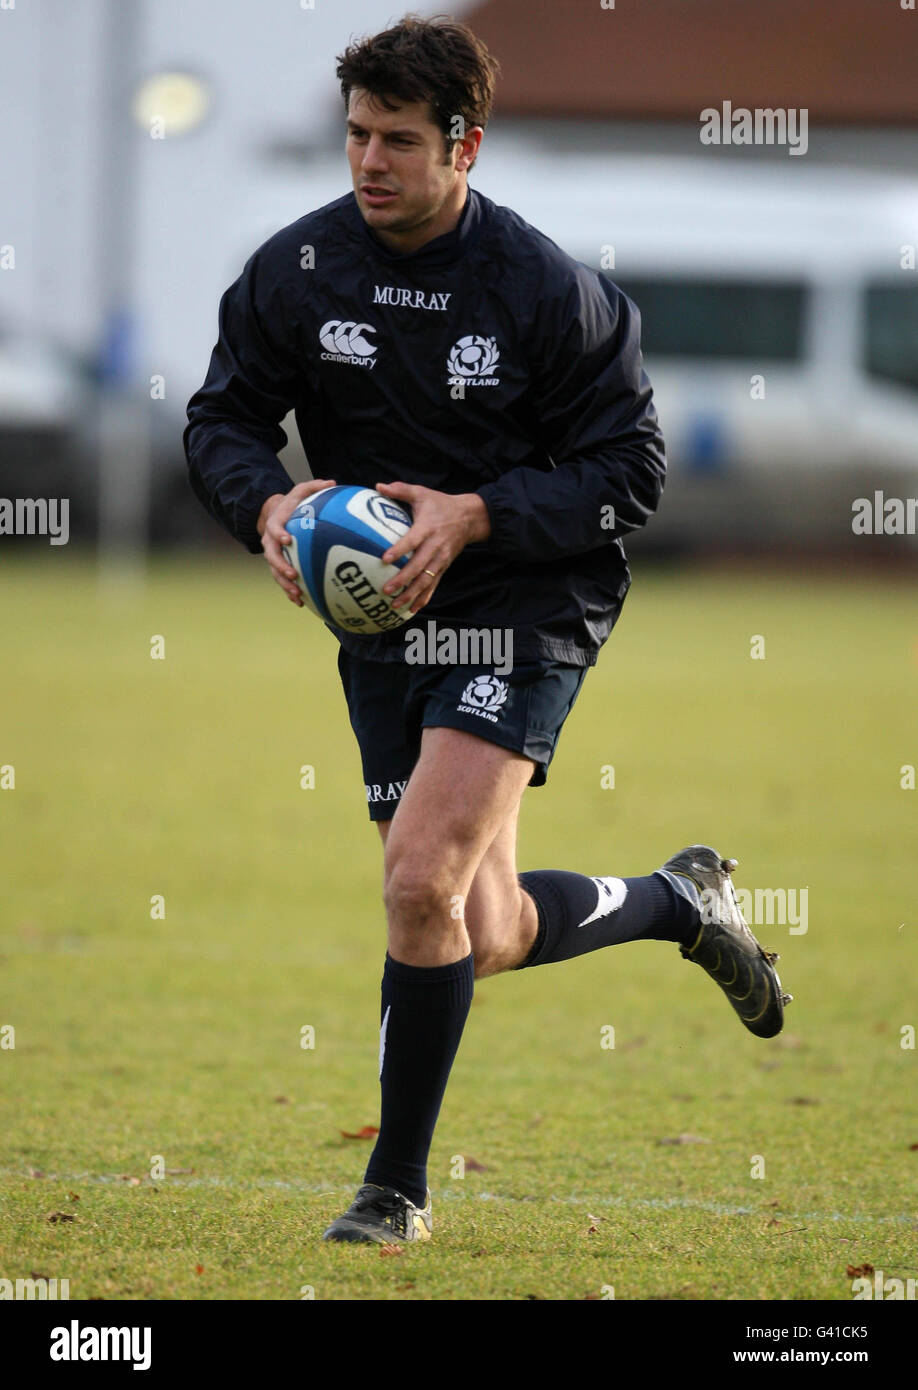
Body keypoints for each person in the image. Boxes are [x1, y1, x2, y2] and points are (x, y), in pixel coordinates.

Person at [184, 15, 791, 1246]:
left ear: (466, 144)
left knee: (419, 883)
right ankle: (680, 904)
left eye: (399, 140)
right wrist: (266, 500)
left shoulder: (547, 289)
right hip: (385, 615)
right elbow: (220, 420)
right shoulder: (297, 272)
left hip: (527, 599)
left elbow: (634, 470)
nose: (369, 162)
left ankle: (392, 1190)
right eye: (356, 135)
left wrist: (476, 515)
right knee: (483, 925)